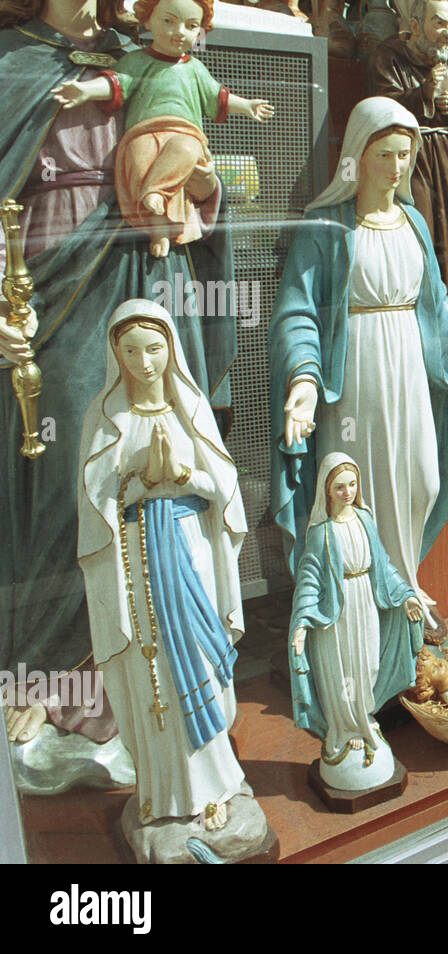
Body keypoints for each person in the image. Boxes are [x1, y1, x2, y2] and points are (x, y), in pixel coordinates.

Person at [0, 0, 235, 749]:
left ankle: (151, 671)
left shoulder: (148, 55)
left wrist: (203, 187)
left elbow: (192, 161)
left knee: (149, 459)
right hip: (49, 293)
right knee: (69, 469)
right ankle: (46, 672)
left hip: (143, 275)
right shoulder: (13, 64)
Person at [269, 97, 448, 646]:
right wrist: (304, 381)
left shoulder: (415, 225)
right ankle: (366, 607)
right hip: (356, 374)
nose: (398, 166)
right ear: (357, 155)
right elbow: (297, 311)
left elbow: (437, 307)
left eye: (406, 154)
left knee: (421, 478)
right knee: (361, 490)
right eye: (386, 154)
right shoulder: (326, 227)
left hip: (409, 369)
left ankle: (403, 583)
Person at [77, 299, 247, 831]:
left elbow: (225, 490)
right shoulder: (106, 420)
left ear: (171, 349)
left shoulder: (189, 410)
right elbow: (93, 507)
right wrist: (136, 483)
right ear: (115, 354)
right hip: (134, 562)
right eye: (130, 351)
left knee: (194, 655)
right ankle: (160, 790)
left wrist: (182, 478)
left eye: (154, 348)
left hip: (190, 550)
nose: (144, 362)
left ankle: (216, 784)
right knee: (151, 669)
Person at [50, 0, 274, 257]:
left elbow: (217, 98)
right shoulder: (135, 61)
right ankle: (158, 230)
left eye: (191, 26)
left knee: (185, 154)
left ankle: (157, 199)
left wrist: (246, 105)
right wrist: (86, 90)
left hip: (184, 134)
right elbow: (116, 84)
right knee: (143, 164)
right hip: (142, 133)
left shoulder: (195, 69)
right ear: (147, 21)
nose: (179, 31)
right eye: (169, 21)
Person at [288, 452, 424, 783]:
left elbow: (383, 565)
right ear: (326, 490)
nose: (347, 492)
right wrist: (303, 624)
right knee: (342, 670)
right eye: (339, 487)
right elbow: (309, 578)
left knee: (366, 665)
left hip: (365, 600)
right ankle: (346, 726)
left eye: (352, 484)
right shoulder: (321, 532)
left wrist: (405, 596)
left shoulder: (365, 519)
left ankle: (364, 718)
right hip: (336, 614)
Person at [366, 0, 448, 312]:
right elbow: (381, 111)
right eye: (439, 23)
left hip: (443, 164)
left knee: (447, 240)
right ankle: (413, 314)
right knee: (418, 233)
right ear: (415, 26)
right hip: (407, 165)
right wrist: (422, 95)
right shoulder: (388, 58)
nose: (447, 33)